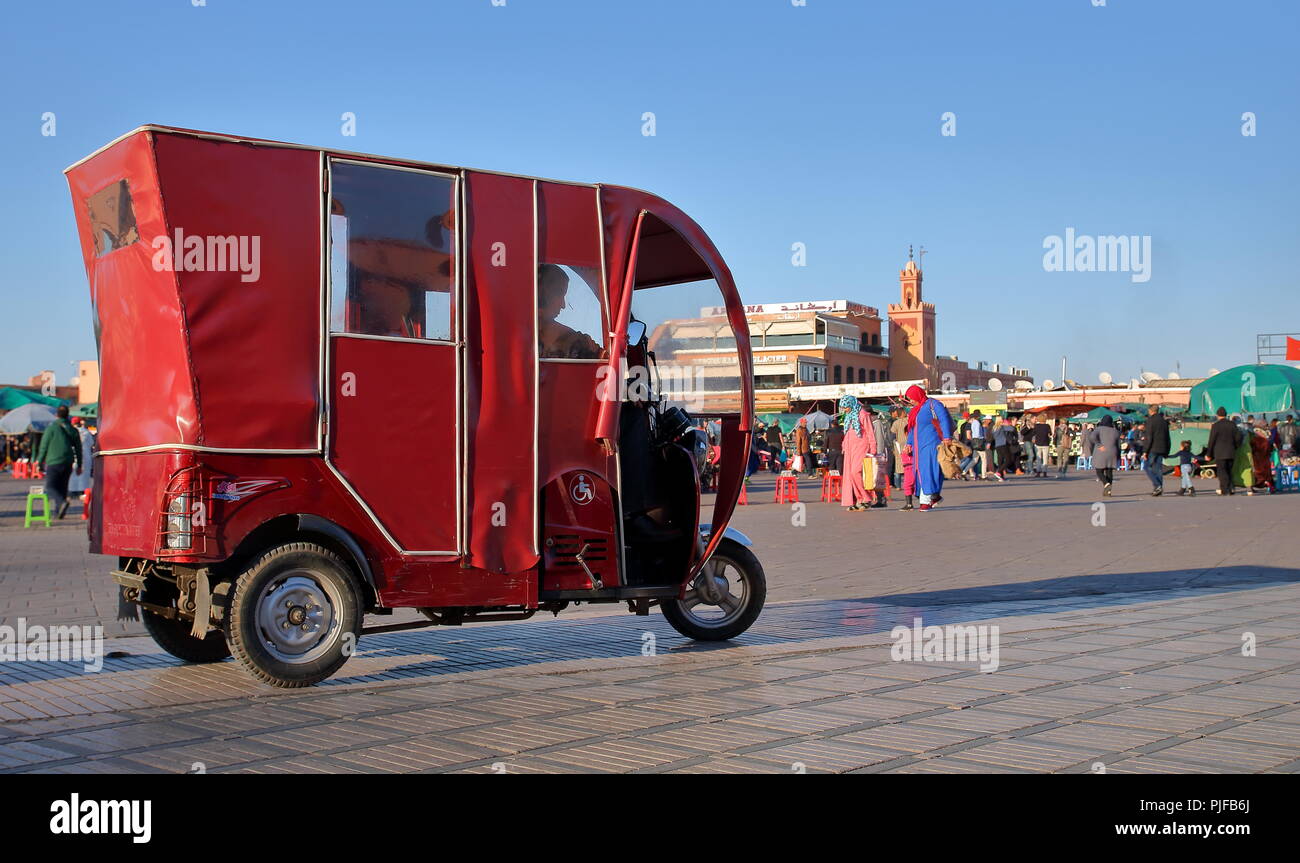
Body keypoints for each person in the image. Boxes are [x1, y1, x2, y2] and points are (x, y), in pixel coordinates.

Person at [904, 384, 953, 511]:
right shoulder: (915, 410)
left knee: (928, 470)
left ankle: (925, 501)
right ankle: (933, 496)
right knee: (919, 471)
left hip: (932, 444)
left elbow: (944, 419)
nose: (910, 401)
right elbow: (912, 429)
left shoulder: (933, 404)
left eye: (911, 398)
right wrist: (909, 443)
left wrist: (947, 437)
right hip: (917, 447)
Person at [538, 264, 602, 359]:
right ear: (543, 292)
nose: (563, 305)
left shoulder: (577, 340)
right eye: (559, 293)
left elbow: (602, 355)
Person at [35, 405, 84, 518]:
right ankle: (58, 513)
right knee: (63, 487)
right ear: (68, 415)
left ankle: (61, 503)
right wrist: (80, 465)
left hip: (53, 461)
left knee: (51, 487)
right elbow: (78, 448)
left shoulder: (51, 428)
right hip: (68, 462)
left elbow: (44, 446)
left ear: (56, 415)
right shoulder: (73, 430)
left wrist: (39, 461)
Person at [839, 394, 877, 511]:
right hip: (850, 449)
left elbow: (870, 432)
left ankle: (867, 497)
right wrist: (844, 445)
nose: (845, 409)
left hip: (862, 446)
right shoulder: (849, 416)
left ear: (851, 404)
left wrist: (873, 448)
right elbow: (848, 433)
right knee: (850, 475)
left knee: (856, 472)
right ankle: (859, 499)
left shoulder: (863, 415)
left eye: (846, 407)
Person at [1206, 407, 1242, 496]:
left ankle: (1225, 489)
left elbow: (1212, 441)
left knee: (1222, 471)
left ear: (1217, 415)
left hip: (1219, 452)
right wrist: (1236, 446)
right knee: (1229, 470)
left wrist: (1208, 453)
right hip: (1231, 451)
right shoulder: (1232, 425)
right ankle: (1230, 488)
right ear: (1226, 415)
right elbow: (1238, 438)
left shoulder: (1215, 426)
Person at [1087, 414, 1121, 496]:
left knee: (1099, 471)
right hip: (1112, 452)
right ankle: (1108, 491)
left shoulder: (1099, 429)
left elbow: (1091, 437)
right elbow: (1118, 445)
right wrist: (1118, 456)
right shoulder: (1115, 431)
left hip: (1101, 452)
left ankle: (1106, 484)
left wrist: (1099, 445)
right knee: (1109, 471)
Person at [1143, 405, 1171, 496]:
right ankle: (1158, 488)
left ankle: (1157, 485)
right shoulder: (1164, 421)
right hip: (1162, 447)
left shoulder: (1150, 421)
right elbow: (1168, 437)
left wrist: (1145, 451)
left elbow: (1149, 437)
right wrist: (1167, 450)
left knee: (1147, 467)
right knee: (1158, 469)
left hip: (1152, 448)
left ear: (1150, 411)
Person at [1247, 425, 1276, 495]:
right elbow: (1270, 450)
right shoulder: (1266, 441)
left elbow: (1250, 450)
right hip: (1265, 462)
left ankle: (1252, 487)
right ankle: (1270, 486)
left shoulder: (1253, 441)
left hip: (1256, 462)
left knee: (1255, 475)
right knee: (1267, 476)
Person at [890, 407, 909, 489]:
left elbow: (892, 435)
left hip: (898, 446)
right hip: (909, 445)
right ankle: (909, 484)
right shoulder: (909, 421)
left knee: (898, 467)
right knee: (908, 466)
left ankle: (898, 486)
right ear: (903, 412)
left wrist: (892, 447)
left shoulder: (896, 423)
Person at [992, 416, 1016, 481]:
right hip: (1003, 445)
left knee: (1000, 461)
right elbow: (1012, 429)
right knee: (1009, 460)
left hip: (997, 445)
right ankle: (999, 471)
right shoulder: (1002, 427)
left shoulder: (994, 428)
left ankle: (1001, 477)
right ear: (1000, 420)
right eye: (1002, 419)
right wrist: (1007, 425)